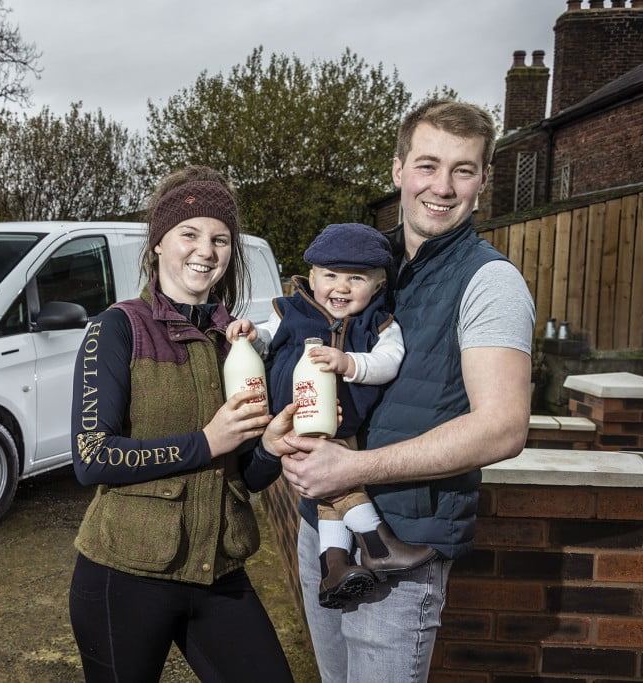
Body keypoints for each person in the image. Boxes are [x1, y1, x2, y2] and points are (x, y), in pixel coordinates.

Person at [272, 99, 535, 682]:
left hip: (404, 545)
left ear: (484, 181)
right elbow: (294, 347)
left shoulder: (490, 282)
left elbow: (503, 426)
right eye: (427, 165)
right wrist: (280, 427)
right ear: (398, 171)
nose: (442, 186)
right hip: (323, 530)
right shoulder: (361, 264)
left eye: (463, 170)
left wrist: (354, 466)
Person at [67, 165, 295, 681]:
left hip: (219, 570)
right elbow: (92, 458)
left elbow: (244, 476)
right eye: (189, 234)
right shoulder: (117, 328)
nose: (205, 250)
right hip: (124, 576)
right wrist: (206, 441)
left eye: (219, 239)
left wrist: (270, 450)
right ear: (157, 246)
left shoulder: (234, 344)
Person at [227, 221, 436, 611]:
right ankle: (378, 543)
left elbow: (388, 362)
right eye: (330, 275)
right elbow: (268, 340)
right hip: (295, 414)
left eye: (356, 278)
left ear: (377, 284)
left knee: (327, 493)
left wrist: (348, 362)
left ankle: (334, 565)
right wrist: (252, 336)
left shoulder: (380, 322)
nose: (340, 287)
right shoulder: (289, 310)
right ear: (311, 276)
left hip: (346, 420)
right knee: (338, 482)